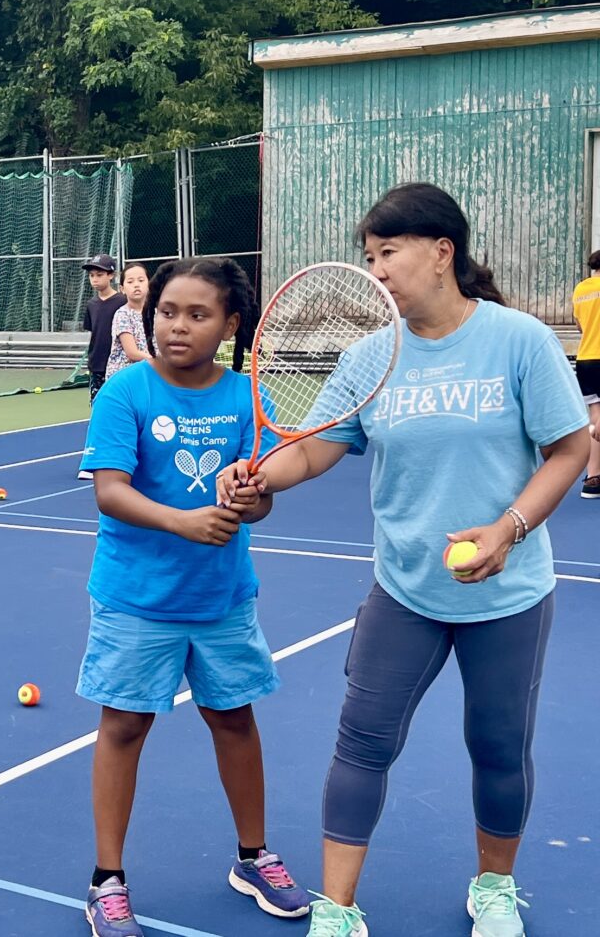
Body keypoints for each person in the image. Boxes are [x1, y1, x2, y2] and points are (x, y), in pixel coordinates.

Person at [216, 183, 590, 937]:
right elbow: (317, 448)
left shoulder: (518, 341)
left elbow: (571, 447)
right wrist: (260, 480)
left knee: (496, 745)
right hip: (405, 591)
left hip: (508, 593)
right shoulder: (368, 357)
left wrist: (508, 527)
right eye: (369, 258)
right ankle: (338, 910)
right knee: (362, 742)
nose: (377, 270)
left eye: (388, 253)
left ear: (442, 251)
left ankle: (493, 888)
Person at [77, 256, 310, 937]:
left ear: (230, 324)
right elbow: (110, 490)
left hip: (221, 600)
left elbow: (258, 504)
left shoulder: (246, 398)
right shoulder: (126, 394)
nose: (177, 326)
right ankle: (107, 880)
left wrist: (248, 496)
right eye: (168, 313)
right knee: (124, 727)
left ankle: (253, 856)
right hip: (134, 600)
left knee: (234, 720)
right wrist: (183, 521)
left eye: (197, 314)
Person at [78, 254, 127, 481]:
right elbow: (93, 334)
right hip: (97, 365)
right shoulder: (91, 305)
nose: (95, 279)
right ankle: (94, 462)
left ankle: (123, 458)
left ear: (111, 275)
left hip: (119, 365)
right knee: (99, 412)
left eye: (99, 275)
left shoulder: (122, 302)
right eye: (91, 276)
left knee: (123, 413)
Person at [572, 248, 600, 498]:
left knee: (595, 417)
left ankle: (593, 478)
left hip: (586, 358)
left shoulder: (581, 290)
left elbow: (580, 325)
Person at [105, 263, 150, 380]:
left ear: (149, 284)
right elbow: (132, 353)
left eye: (141, 280)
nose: (136, 285)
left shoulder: (157, 313)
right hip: (124, 378)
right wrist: (159, 361)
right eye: (130, 282)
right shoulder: (122, 314)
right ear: (122, 289)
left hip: (149, 373)